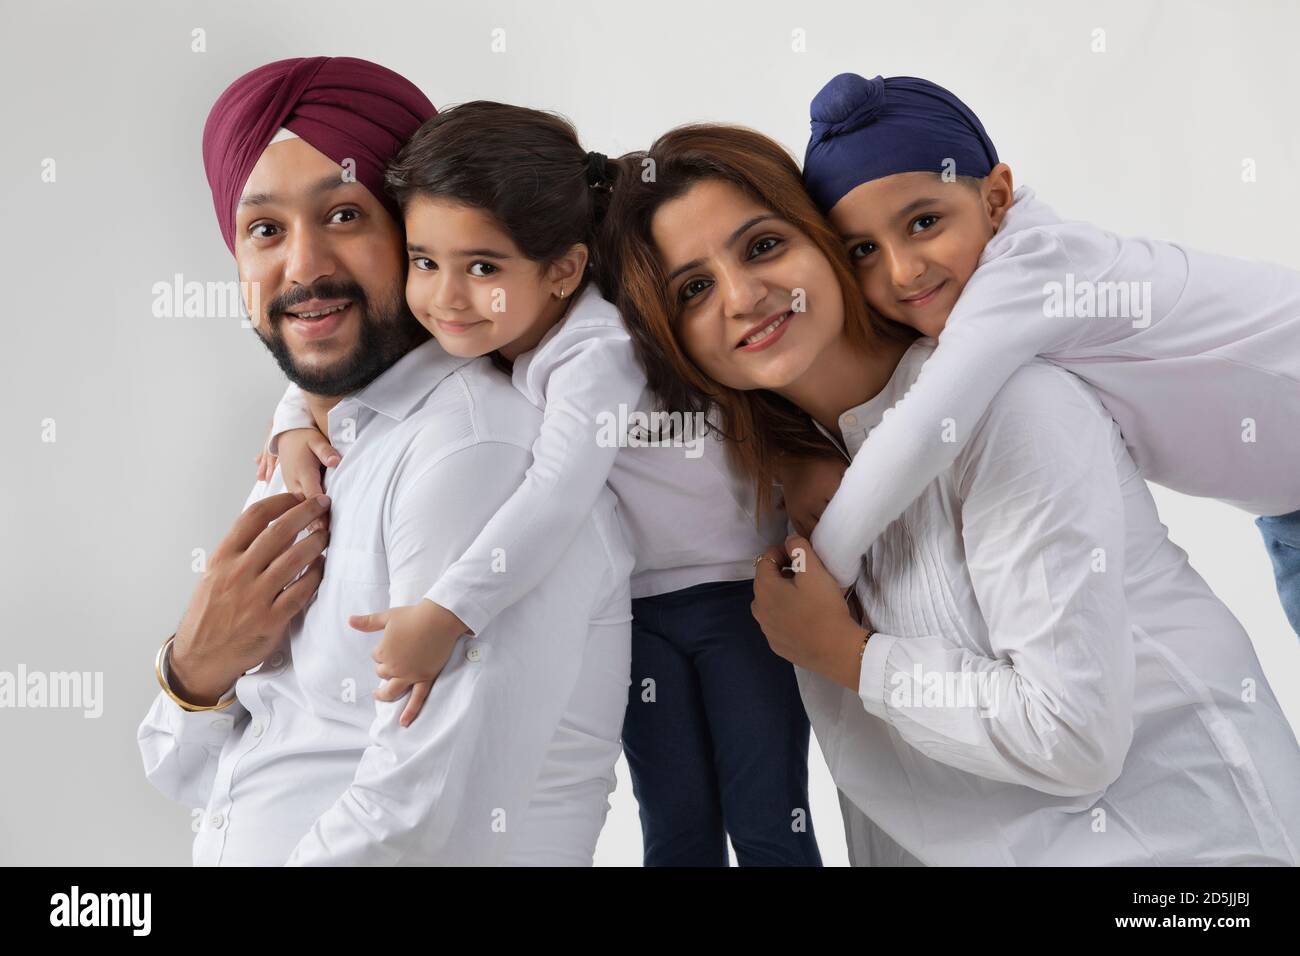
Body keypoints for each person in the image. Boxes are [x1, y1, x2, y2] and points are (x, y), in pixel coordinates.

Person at [601, 121, 1300, 864]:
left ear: (824, 241)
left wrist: (853, 657)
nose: (743, 296)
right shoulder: (764, 502)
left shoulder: (1012, 406)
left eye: (764, 245)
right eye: (694, 289)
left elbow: (1071, 736)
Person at [257, 101, 821, 866]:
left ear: (563, 270)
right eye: (425, 261)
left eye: (481, 267)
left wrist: (449, 613)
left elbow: (557, 492)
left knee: (764, 816)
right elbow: (354, 350)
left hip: (735, 601)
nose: (445, 297)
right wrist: (294, 415)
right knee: (677, 825)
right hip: (644, 616)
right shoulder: (487, 319)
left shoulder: (594, 350)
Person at [138, 57, 631, 866]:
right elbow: (187, 774)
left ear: (414, 227)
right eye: (264, 230)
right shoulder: (313, 443)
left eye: (342, 215)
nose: (302, 267)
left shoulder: (472, 449)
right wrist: (193, 669)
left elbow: (419, 825)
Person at [796, 73, 1300, 638]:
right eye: (864, 250)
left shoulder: (1031, 266)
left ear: (996, 196)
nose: (903, 269)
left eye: (924, 223)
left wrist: (822, 566)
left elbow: (924, 427)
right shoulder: (986, 301)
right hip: (1285, 512)